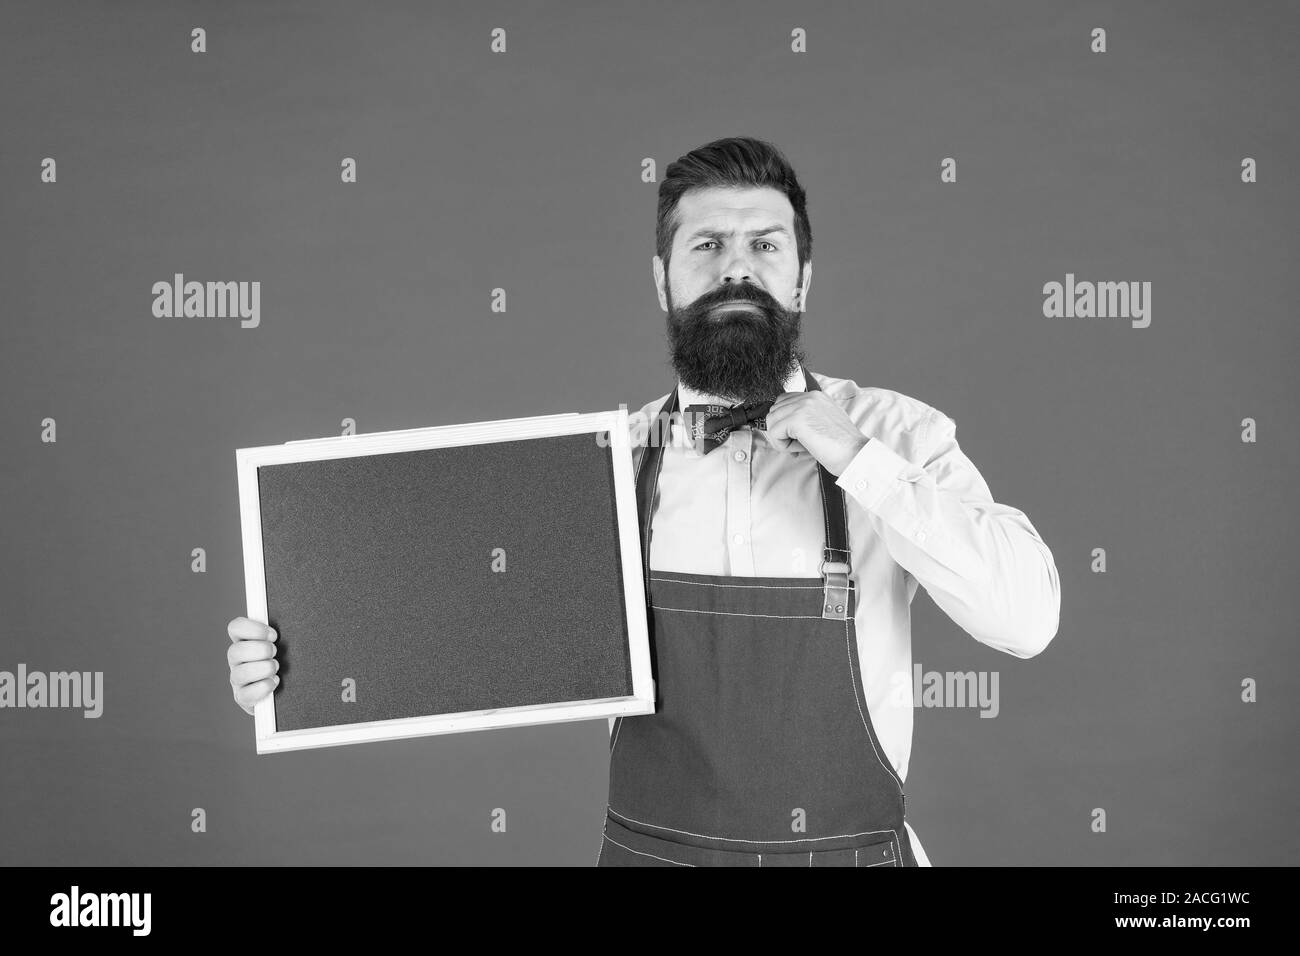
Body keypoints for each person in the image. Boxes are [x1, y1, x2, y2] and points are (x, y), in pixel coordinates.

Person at [227, 136, 1061, 867]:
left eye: (765, 244)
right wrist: (296, 656)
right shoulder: (608, 463)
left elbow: (1026, 619)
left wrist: (858, 460)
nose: (738, 265)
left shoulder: (897, 435)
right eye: (707, 245)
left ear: (803, 279)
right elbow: (440, 613)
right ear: (663, 280)